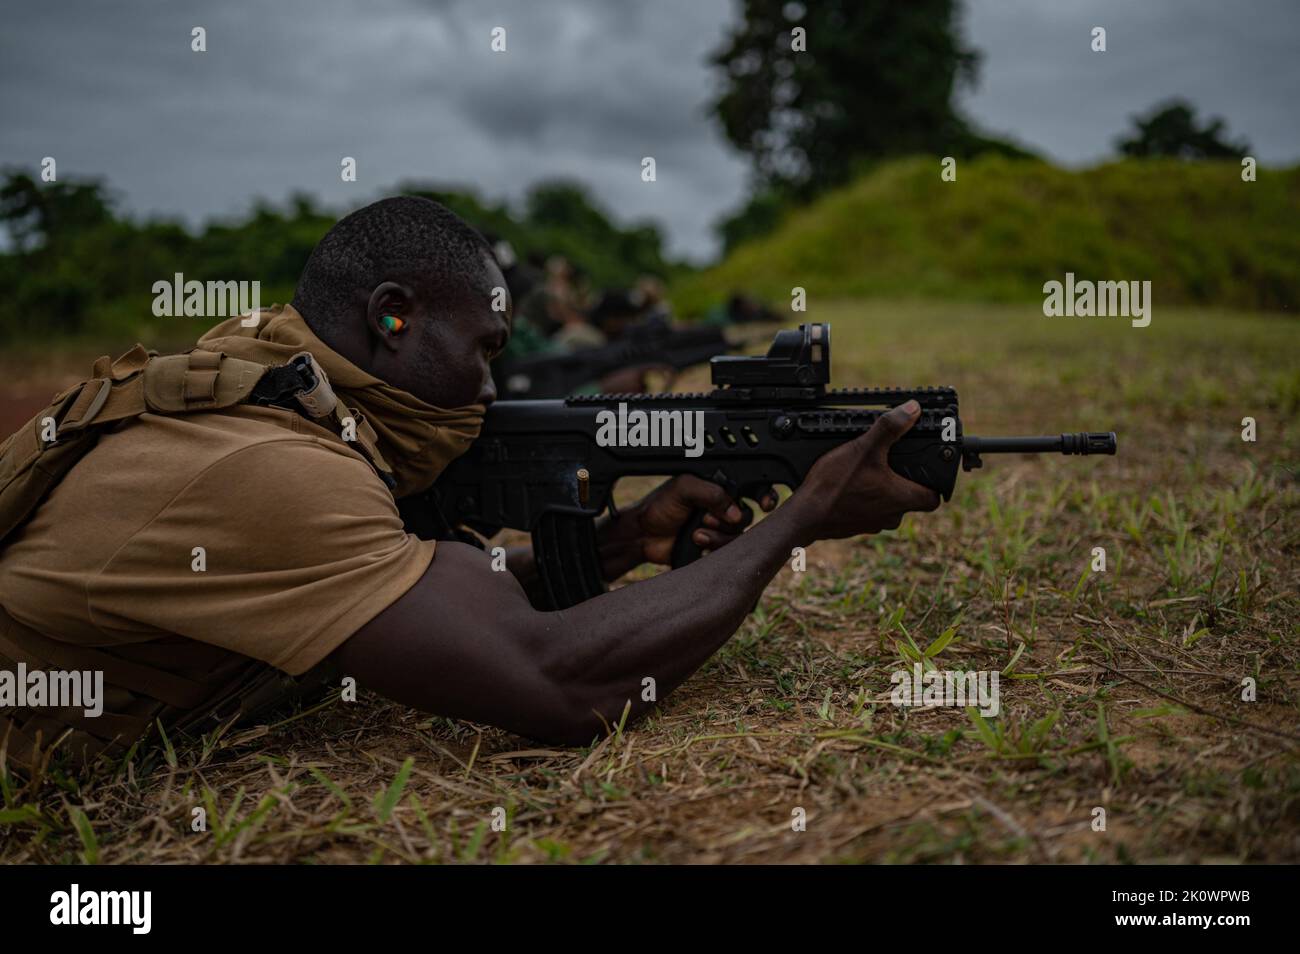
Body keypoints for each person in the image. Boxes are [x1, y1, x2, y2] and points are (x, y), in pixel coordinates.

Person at [0, 196, 939, 767]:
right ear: (394, 319)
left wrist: (618, 542)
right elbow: (559, 687)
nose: (492, 387)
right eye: (486, 353)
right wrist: (803, 515)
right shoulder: (271, 468)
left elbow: (413, 590)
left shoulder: (284, 392)